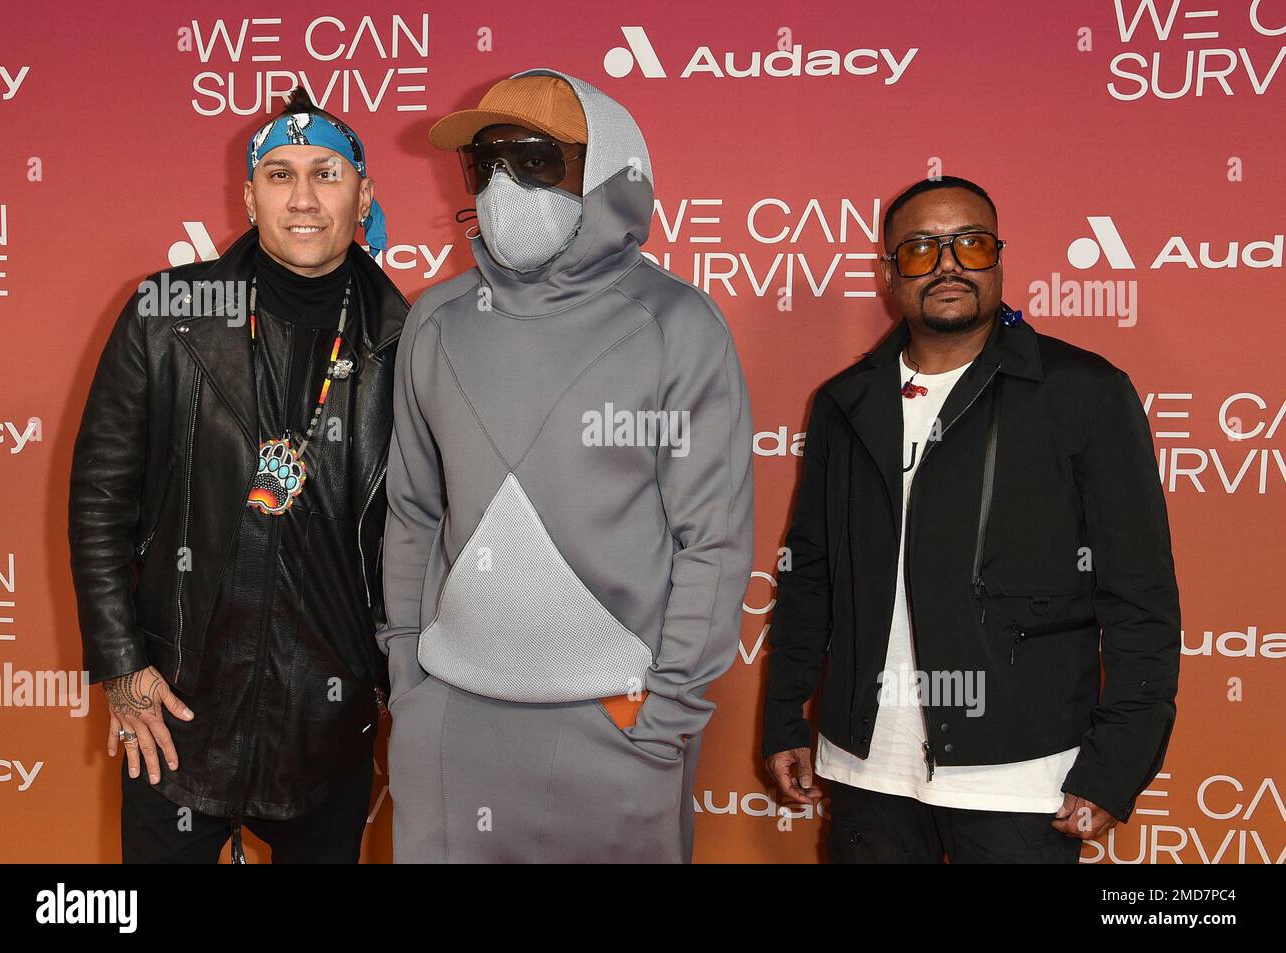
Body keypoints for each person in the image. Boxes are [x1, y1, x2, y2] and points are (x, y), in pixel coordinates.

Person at [380, 69, 754, 863]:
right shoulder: (437, 320)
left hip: (616, 729)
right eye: (487, 162)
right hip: (452, 724)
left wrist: (664, 717)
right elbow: (412, 510)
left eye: (536, 159)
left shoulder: (678, 326)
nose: (505, 183)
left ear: (613, 170)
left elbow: (712, 540)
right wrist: (411, 680)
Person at [762, 175, 1181, 863]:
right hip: (866, 766)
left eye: (972, 243)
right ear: (890, 273)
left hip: (1019, 775)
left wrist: (1118, 760)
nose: (950, 263)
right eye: (923, 248)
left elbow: (1141, 595)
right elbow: (811, 575)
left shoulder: (1084, 392)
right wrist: (785, 716)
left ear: (1000, 260)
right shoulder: (845, 401)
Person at [69, 87, 409, 863]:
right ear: (248, 193)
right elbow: (99, 500)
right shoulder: (167, 315)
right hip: (177, 711)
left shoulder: (409, 342)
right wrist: (123, 667)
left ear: (363, 196)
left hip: (326, 723)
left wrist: (388, 682)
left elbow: (425, 532)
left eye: (326, 173)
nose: (303, 197)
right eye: (279, 173)